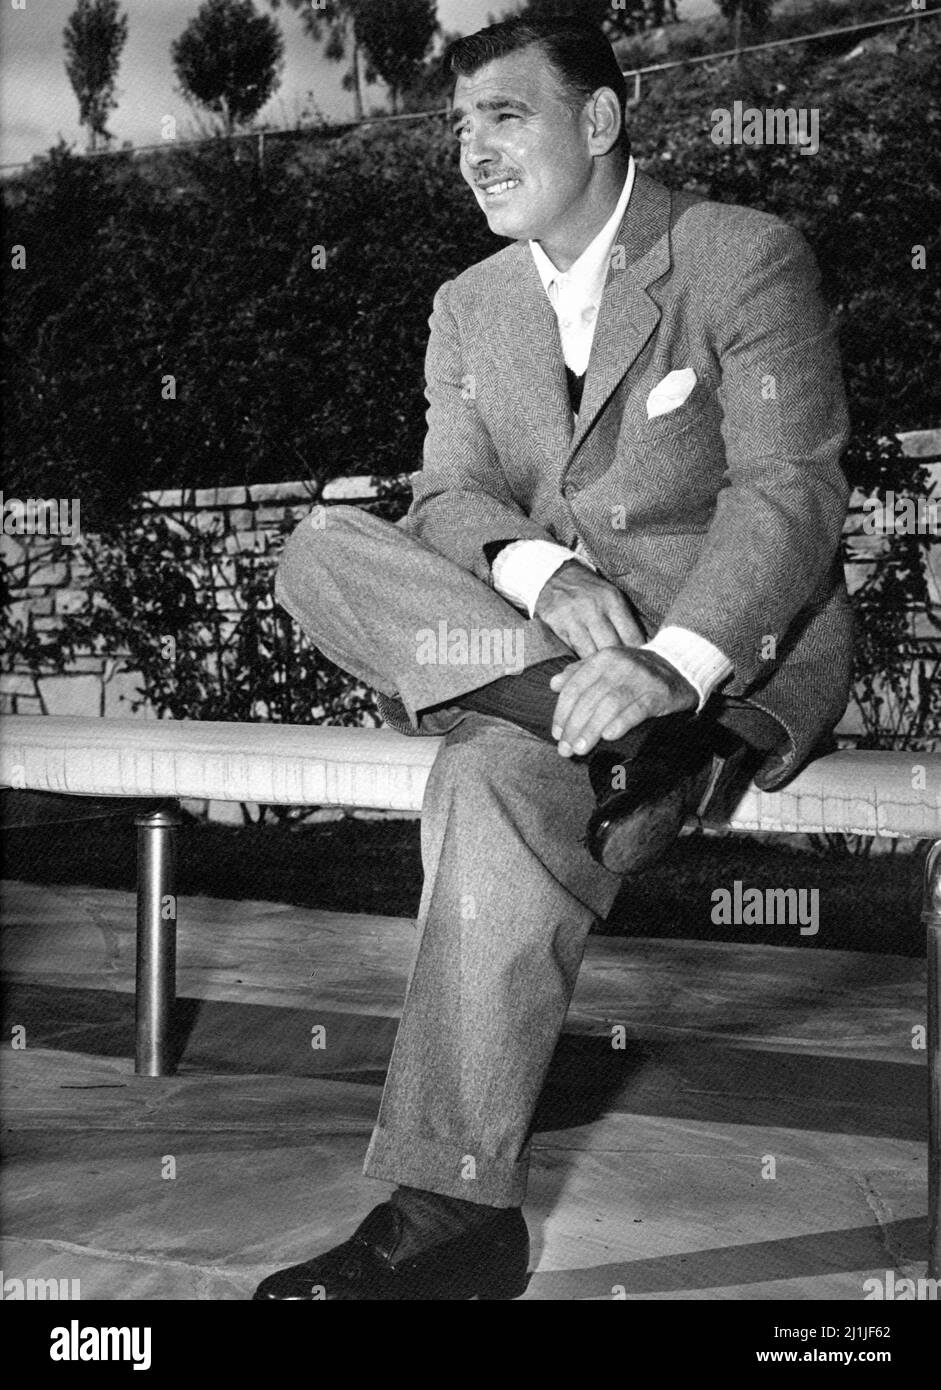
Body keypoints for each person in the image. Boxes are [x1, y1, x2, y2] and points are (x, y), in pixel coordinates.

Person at [254, 15, 853, 1300]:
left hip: (718, 650)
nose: (470, 150)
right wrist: (546, 573)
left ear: (598, 119)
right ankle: (620, 748)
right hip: (547, 657)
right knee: (316, 548)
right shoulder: (466, 306)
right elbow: (452, 497)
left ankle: (449, 1212)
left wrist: (671, 663)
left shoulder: (738, 256)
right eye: (458, 125)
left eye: (502, 117)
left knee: (479, 778)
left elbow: (787, 496)